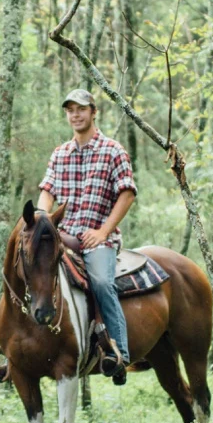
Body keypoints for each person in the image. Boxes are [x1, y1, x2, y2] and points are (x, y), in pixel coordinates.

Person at [37, 88, 137, 382]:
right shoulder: (60, 154)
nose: (75, 115)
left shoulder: (113, 150)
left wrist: (103, 231)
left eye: (81, 109)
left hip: (98, 239)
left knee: (103, 282)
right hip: (63, 236)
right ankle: (18, 350)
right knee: (30, 269)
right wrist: (43, 219)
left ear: (94, 112)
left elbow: (127, 194)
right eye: (70, 110)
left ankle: (119, 354)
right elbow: (47, 193)